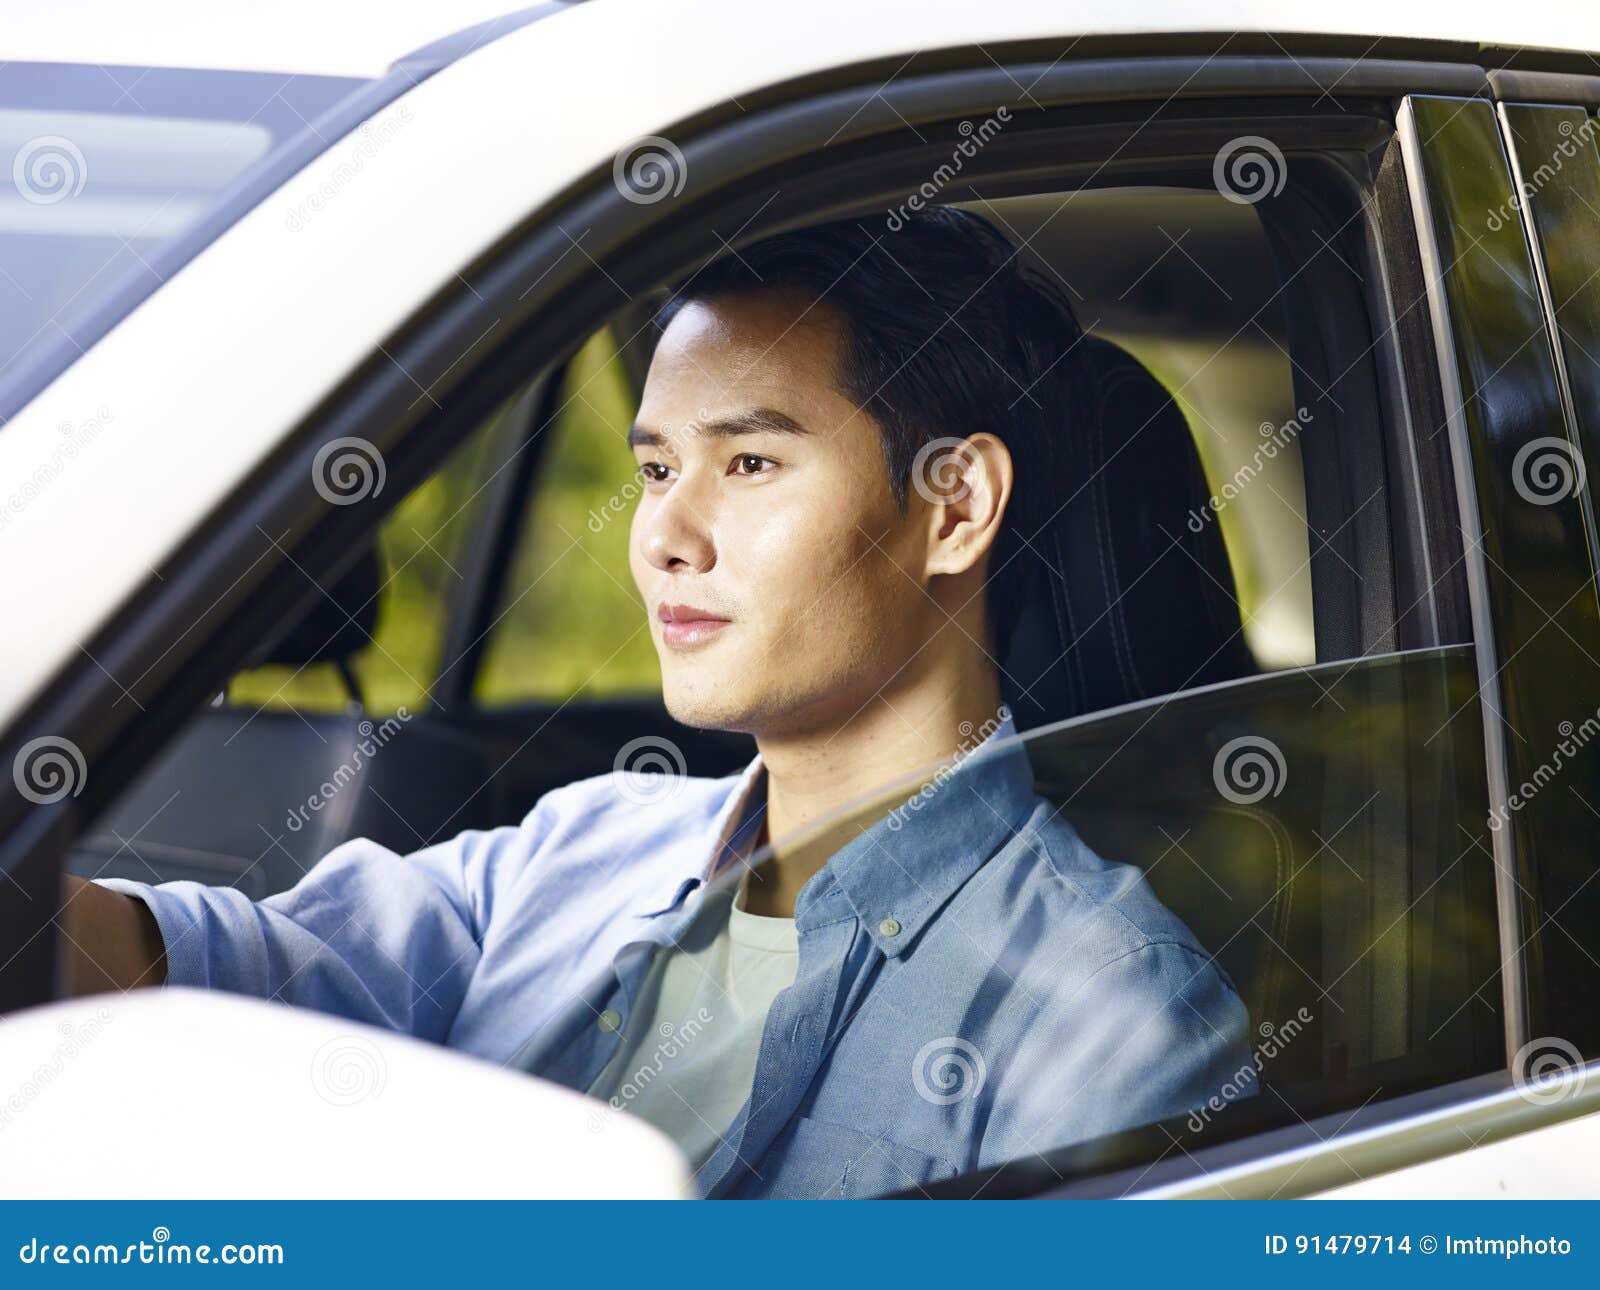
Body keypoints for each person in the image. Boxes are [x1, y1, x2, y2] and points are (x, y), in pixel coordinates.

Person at [63, 207, 1250, 1197]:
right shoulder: (573, 851)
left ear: (952, 507)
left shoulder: (1113, 1018)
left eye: (748, 464)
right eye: (653, 470)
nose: (663, 540)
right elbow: (204, 969)